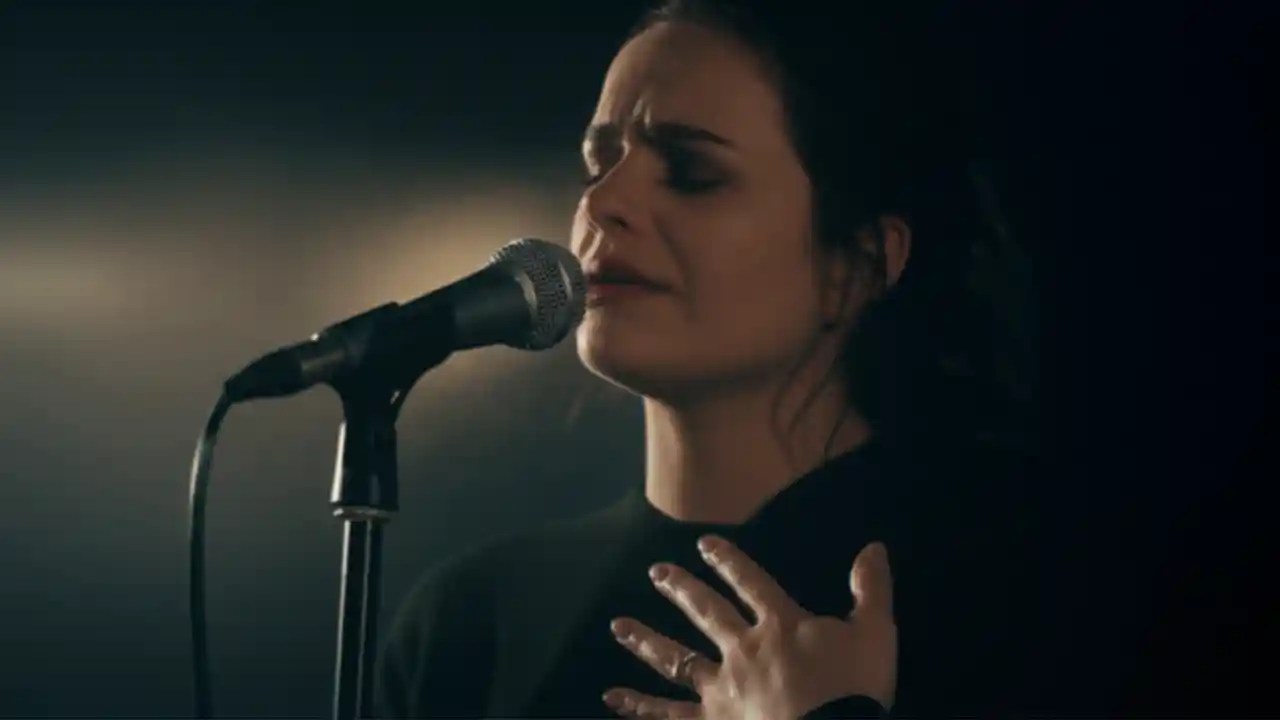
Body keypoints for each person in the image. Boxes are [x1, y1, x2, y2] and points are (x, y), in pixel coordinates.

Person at [375, 0, 1042, 717]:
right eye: (598, 164)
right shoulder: (470, 623)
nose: (602, 204)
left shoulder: (1027, 577)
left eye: (690, 172)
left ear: (861, 264)